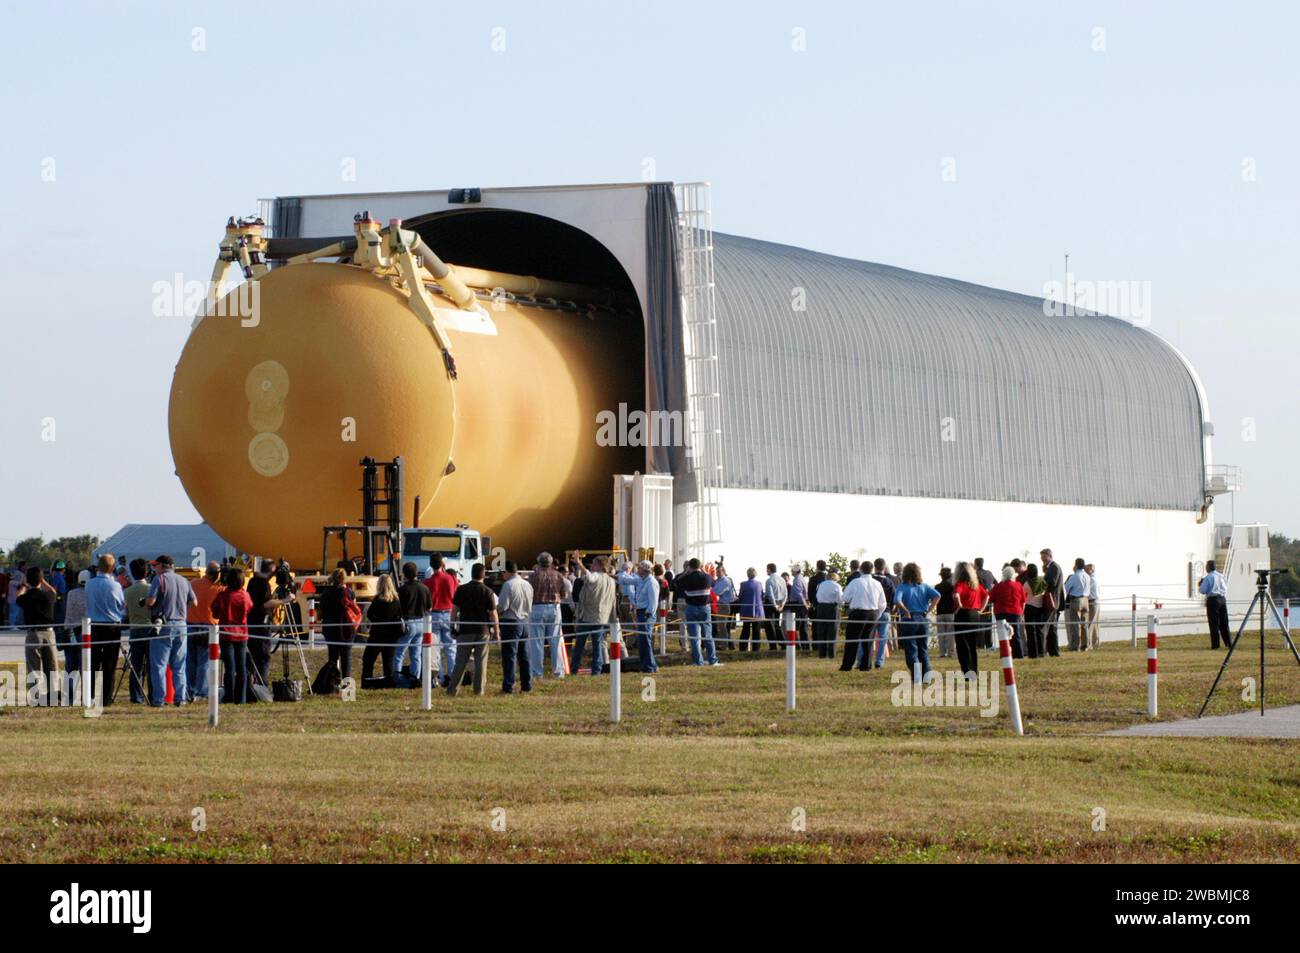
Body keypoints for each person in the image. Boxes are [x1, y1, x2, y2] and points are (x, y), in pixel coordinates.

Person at [144, 555, 196, 707]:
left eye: (155, 566)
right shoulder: (184, 580)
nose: (154, 569)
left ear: (162, 566)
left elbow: (151, 601)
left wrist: (146, 603)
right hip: (181, 624)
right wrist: (181, 609)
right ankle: (180, 698)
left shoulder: (158, 579)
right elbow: (194, 602)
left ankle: (159, 700)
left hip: (164, 625)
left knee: (159, 665)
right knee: (179, 665)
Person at [448, 563, 498, 696]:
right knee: (481, 662)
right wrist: (497, 633)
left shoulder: (461, 589)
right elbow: (493, 614)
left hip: (465, 630)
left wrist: (452, 627)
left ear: (472, 573)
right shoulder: (488, 592)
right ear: (484, 574)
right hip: (483, 631)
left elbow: (454, 611)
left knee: (460, 662)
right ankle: (479, 690)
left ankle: (452, 690)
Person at [87, 554, 127, 706]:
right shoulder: (115, 585)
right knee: (109, 665)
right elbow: (121, 605)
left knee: (93, 662)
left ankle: (89, 695)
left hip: (94, 626)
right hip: (111, 626)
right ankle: (106, 699)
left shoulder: (89, 584)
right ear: (112, 568)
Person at [211, 567, 253, 704]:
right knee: (242, 668)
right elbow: (250, 608)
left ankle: (229, 696)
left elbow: (215, 612)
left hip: (226, 634)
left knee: (230, 668)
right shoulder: (245, 596)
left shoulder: (223, 595)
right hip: (241, 634)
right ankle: (241, 698)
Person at [16, 566, 59, 698]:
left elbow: (18, 597)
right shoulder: (48, 596)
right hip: (48, 633)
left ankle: (36, 695)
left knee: (34, 667)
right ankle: (53, 693)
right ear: (41, 579)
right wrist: (43, 581)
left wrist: (23, 585)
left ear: (28, 581)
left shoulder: (26, 598)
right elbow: (53, 591)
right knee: (51, 665)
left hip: (32, 634)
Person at [572, 555, 619, 674]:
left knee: (579, 645)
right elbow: (613, 601)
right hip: (602, 618)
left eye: (593, 563)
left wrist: (579, 563)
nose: (591, 566)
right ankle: (596, 670)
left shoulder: (596, 576)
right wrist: (613, 618)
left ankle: (574, 669)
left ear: (599, 566)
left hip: (588, 616)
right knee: (597, 645)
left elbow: (590, 577)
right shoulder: (611, 581)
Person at [185, 561, 223, 702]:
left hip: (191, 625)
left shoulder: (193, 583)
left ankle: (190, 689)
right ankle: (201, 692)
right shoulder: (218, 588)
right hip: (209, 628)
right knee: (204, 662)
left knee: (190, 660)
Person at [894, 563, 940, 678]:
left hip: (909, 620)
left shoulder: (902, 587)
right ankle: (927, 677)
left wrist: (906, 611)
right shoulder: (924, 586)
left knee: (911, 651)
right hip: (923, 619)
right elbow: (937, 596)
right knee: (923, 650)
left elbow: (897, 601)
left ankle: (917, 677)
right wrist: (929, 611)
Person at [675, 557, 720, 667]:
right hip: (704, 608)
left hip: (691, 608)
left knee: (694, 636)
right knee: (708, 635)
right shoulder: (706, 577)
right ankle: (712, 660)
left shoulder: (687, 578)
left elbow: (677, 582)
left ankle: (697, 661)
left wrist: (686, 572)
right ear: (700, 566)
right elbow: (714, 582)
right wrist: (704, 571)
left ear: (689, 567)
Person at [498, 561, 535, 692]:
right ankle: (527, 685)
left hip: (511, 621)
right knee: (525, 655)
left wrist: (494, 611)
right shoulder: (527, 584)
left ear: (506, 572)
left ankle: (509, 685)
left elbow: (503, 606)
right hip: (525, 621)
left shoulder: (508, 585)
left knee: (509, 655)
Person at [527, 553, 566, 679]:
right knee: (556, 640)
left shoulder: (533, 577)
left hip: (537, 607)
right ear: (551, 562)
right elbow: (564, 594)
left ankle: (537, 673)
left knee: (537, 642)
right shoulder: (558, 575)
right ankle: (559, 672)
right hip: (555, 608)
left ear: (539, 562)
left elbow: (529, 594)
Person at [839, 567, 886, 671]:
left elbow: (844, 598)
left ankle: (847, 665)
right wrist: (877, 615)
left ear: (861, 570)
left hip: (858, 612)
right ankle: (866, 666)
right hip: (873, 613)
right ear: (872, 570)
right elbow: (883, 603)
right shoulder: (877, 584)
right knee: (868, 641)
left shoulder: (855, 582)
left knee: (852, 640)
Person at [319, 567, 358, 687]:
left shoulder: (326, 592)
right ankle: (347, 685)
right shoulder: (349, 592)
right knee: (346, 657)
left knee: (333, 657)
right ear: (344, 579)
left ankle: (332, 683)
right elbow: (354, 608)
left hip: (330, 627)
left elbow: (322, 610)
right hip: (346, 628)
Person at [361, 572, 403, 684]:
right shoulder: (396, 600)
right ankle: (388, 682)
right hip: (391, 635)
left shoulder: (378, 599)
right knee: (388, 661)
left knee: (368, 659)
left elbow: (369, 614)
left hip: (377, 634)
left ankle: (367, 680)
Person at [424, 555, 458, 687]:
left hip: (434, 615)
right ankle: (453, 676)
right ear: (442, 564)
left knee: (435, 649)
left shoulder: (427, 582)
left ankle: (440, 677)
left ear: (431, 565)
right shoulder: (451, 579)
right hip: (449, 614)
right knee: (451, 648)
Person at [395, 562, 432, 683]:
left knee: (399, 653)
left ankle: (397, 678)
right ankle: (415, 678)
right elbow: (429, 608)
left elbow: (398, 609)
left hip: (408, 623)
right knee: (416, 655)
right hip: (421, 623)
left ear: (405, 574)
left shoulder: (402, 590)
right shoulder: (425, 588)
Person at [123, 559, 153, 704]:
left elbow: (126, 613)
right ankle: (153, 694)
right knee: (153, 665)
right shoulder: (151, 588)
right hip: (151, 629)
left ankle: (136, 696)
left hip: (135, 630)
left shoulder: (127, 591)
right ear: (146, 572)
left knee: (136, 666)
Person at [952, 561, 988, 675]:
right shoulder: (976, 585)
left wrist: (960, 606)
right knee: (972, 644)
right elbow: (987, 596)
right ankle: (974, 669)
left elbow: (956, 595)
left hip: (963, 614)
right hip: (975, 614)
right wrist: (981, 610)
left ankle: (967, 671)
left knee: (962, 644)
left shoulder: (960, 584)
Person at [244, 559, 275, 687]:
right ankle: (262, 684)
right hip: (262, 624)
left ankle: (250, 682)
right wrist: (284, 600)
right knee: (263, 656)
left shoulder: (252, 581)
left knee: (251, 654)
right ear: (270, 571)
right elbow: (265, 604)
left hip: (251, 622)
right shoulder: (264, 584)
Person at [990, 565, 1027, 658]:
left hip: (1000, 612)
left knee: (1003, 635)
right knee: (1016, 634)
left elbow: (991, 598)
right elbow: (1023, 601)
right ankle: (1018, 654)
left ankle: (1005, 654)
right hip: (1015, 612)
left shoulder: (998, 586)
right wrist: (1022, 613)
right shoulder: (1018, 585)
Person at [867, 558, 897, 669]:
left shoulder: (871, 581)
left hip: (872, 611)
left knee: (867, 637)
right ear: (884, 568)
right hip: (885, 611)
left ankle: (864, 659)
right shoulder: (889, 582)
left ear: (874, 567)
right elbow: (894, 598)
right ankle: (879, 661)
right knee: (883, 637)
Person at [61, 569, 89, 685]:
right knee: (85, 667)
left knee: (70, 667)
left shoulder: (71, 593)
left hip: (70, 631)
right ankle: (86, 696)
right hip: (85, 632)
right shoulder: (90, 593)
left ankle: (68, 696)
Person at [632, 560, 660, 673]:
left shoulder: (651, 582)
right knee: (643, 641)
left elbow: (653, 602)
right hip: (642, 613)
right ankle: (647, 665)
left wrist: (648, 614)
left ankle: (650, 666)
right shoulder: (643, 580)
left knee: (645, 641)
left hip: (646, 614)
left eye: (639, 568)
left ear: (645, 570)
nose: (638, 570)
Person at [1199, 559, 1230, 650]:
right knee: (1224, 622)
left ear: (1208, 567)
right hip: (1222, 599)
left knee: (1214, 624)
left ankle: (1216, 645)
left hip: (1212, 600)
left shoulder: (1208, 577)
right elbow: (1225, 588)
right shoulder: (1221, 576)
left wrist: (1200, 584)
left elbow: (1202, 591)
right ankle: (1228, 643)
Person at [813, 569, 842, 659]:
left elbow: (817, 597)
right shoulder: (837, 585)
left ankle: (822, 654)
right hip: (832, 608)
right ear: (835, 577)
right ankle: (831, 654)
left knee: (821, 631)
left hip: (821, 608)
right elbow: (840, 599)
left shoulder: (820, 584)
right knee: (832, 632)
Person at [1040, 549, 1064, 657]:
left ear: (1049, 556)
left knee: (1047, 626)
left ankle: (1048, 651)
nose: (1042, 559)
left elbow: (1052, 582)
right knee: (1051, 628)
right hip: (1053, 601)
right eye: (1041, 557)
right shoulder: (1051, 567)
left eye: (1044, 556)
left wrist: (1042, 581)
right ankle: (1053, 651)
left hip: (1052, 601)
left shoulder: (1054, 567)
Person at [1064, 557, 1091, 652]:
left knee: (1075, 624)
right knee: (1084, 624)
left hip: (1076, 600)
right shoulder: (1087, 576)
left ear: (1076, 565)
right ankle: (1085, 645)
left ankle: (1075, 646)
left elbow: (1066, 588)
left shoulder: (1074, 576)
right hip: (1086, 600)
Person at [737, 567, 765, 652]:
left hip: (746, 610)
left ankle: (743, 648)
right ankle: (756, 649)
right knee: (756, 631)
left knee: (745, 630)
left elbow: (740, 597)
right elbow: (762, 596)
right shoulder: (759, 584)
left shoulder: (743, 584)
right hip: (757, 610)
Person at [1021, 563, 1046, 658]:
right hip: (1040, 608)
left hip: (1030, 608)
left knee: (1030, 631)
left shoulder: (1027, 584)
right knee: (1040, 630)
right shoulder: (1042, 580)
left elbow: (1023, 597)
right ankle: (1041, 651)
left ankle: (1032, 653)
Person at [762, 563, 788, 652]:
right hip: (780, 603)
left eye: (767, 569)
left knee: (769, 625)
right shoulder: (782, 580)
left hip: (770, 604)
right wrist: (782, 604)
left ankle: (773, 645)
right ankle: (783, 643)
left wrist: (774, 605)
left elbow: (770, 594)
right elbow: (785, 593)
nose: (766, 571)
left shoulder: (769, 580)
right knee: (777, 625)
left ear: (769, 569)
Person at [712, 565, 736, 651]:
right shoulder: (719, 580)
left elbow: (715, 592)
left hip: (724, 605)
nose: (717, 573)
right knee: (721, 626)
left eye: (718, 571)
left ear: (723, 571)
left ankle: (724, 645)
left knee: (722, 626)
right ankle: (725, 644)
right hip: (721, 605)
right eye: (716, 571)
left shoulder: (724, 581)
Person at [934, 566, 956, 658]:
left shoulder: (937, 587)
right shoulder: (952, 587)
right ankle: (951, 652)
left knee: (941, 633)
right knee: (950, 634)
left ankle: (942, 652)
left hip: (940, 612)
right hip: (950, 612)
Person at [789, 566, 811, 650]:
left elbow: (799, 593)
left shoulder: (797, 580)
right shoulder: (801, 579)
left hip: (798, 605)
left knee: (796, 626)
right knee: (803, 627)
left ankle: (799, 647)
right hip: (801, 604)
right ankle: (805, 646)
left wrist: (804, 603)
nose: (791, 571)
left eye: (792, 570)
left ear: (795, 571)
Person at [1085, 563, 1101, 650]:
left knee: (1090, 623)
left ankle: (1090, 644)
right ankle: (1095, 643)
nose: (1085, 571)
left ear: (1091, 570)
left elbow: (1087, 592)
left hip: (1092, 602)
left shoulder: (1091, 579)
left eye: (1086, 569)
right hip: (1097, 601)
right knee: (1095, 624)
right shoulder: (1096, 579)